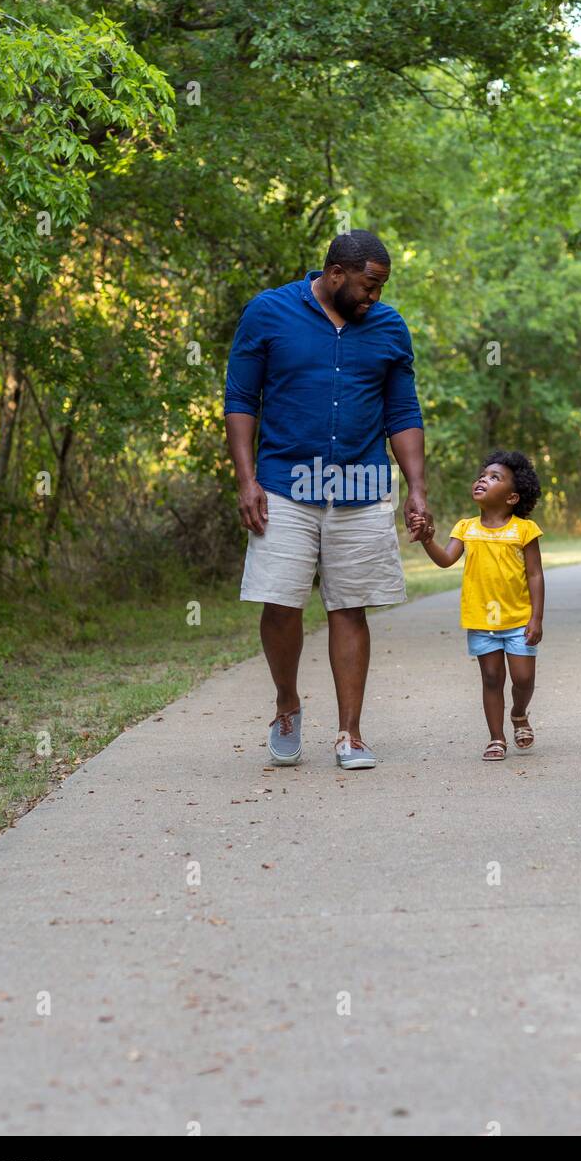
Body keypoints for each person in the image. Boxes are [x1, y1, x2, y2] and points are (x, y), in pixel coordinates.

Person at [224, 230, 433, 769]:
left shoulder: (389, 328)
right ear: (335, 274)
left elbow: (403, 413)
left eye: (381, 288)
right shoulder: (268, 313)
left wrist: (416, 488)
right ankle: (288, 703)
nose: (374, 299)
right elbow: (241, 400)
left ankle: (350, 734)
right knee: (280, 601)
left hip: (361, 487)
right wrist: (247, 481)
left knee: (350, 605)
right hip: (284, 485)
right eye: (368, 286)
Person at [411, 450, 545, 762]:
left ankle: (519, 712)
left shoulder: (524, 530)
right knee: (491, 678)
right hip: (481, 619)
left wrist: (536, 618)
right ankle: (496, 738)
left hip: (517, 618)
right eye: (483, 475)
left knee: (523, 679)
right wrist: (428, 539)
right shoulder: (465, 527)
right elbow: (445, 560)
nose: (483, 479)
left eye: (494, 477)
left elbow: (535, 575)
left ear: (512, 497)